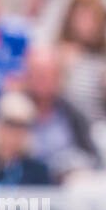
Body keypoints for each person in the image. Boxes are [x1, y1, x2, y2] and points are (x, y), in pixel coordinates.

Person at [22, 45, 99, 180]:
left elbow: (92, 157)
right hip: (24, 189)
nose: (42, 80)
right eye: (37, 74)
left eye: (48, 74)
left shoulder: (73, 114)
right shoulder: (13, 111)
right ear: (28, 76)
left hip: (66, 189)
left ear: (59, 77)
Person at [55, 0, 106, 121]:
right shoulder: (56, 51)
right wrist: (62, 70)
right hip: (65, 125)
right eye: (81, 17)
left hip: (102, 124)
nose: (87, 24)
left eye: (92, 18)